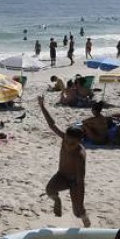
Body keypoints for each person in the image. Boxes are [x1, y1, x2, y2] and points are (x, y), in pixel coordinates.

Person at [37, 95, 89, 226]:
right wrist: (42, 106)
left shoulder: (79, 155)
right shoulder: (65, 137)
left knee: (77, 212)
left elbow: (81, 179)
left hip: (75, 182)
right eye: (66, 141)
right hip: (61, 175)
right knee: (49, 190)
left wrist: (79, 199)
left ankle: (85, 220)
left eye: (71, 143)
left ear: (79, 142)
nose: (67, 144)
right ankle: (57, 201)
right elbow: (52, 124)